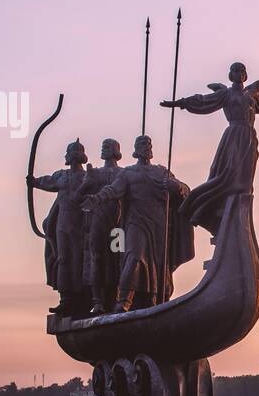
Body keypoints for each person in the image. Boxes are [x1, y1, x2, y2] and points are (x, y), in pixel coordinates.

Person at [161, 61, 259, 234]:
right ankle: (206, 206)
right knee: (228, 173)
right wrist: (179, 103)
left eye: (242, 71)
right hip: (234, 136)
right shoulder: (226, 94)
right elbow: (202, 101)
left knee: (245, 180)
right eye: (236, 71)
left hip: (249, 138)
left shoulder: (251, 94)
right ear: (231, 75)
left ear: (245, 75)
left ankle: (238, 211)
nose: (239, 74)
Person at [81, 135, 194, 311]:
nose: (145, 148)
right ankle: (124, 299)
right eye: (141, 145)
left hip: (158, 225)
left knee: (157, 264)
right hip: (136, 222)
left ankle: (152, 300)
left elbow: (185, 190)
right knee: (134, 256)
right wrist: (97, 198)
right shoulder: (128, 173)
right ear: (136, 149)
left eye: (148, 145)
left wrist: (176, 187)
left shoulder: (161, 172)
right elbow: (113, 190)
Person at [28, 139, 90, 316]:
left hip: (80, 225)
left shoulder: (87, 177)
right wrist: (34, 182)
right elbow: (47, 182)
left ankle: (80, 298)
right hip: (62, 224)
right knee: (63, 259)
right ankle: (65, 299)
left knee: (78, 259)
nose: (70, 156)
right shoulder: (61, 176)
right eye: (69, 153)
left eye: (73, 153)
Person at [82, 138, 123, 314]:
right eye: (103, 146)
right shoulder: (95, 173)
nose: (103, 149)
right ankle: (97, 301)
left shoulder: (123, 173)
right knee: (97, 258)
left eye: (107, 146)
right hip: (97, 221)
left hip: (118, 223)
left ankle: (116, 298)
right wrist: (87, 181)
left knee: (118, 259)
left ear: (115, 151)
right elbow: (80, 196)